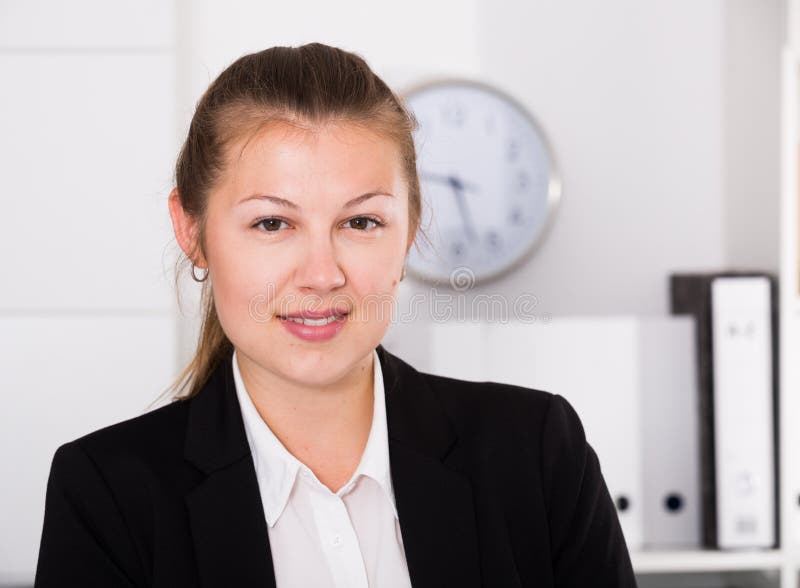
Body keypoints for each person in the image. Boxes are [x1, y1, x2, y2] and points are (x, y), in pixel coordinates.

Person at [34, 43, 637, 588]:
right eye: (272, 223)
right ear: (192, 230)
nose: (322, 274)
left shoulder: (535, 453)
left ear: (410, 232)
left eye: (361, 222)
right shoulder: (107, 493)